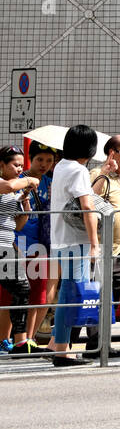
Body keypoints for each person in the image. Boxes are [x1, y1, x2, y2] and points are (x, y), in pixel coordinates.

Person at [71, 135, 120, 358]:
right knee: (92, 297)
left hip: (115, 250)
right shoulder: (99, 175)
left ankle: (100, 342)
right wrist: (94, 244)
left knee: (110, 297)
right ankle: (77, 343)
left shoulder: (119, 178)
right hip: (99, 250)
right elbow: (87, 208)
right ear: (112, 153)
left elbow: (113, 212)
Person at [47, 124, 99, 367]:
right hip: (75, 241)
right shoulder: (78, 170)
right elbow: (88, 207)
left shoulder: (60, 166)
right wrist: (95, 243)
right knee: (71, 293)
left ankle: (58, 345)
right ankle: (61, 351)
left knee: (67, 292)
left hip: (59, 238)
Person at [14, 143, 56, 354]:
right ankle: (14, 338)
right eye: (40, 160)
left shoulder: (50, 182)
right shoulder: (19, 181)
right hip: (19, 241)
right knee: (18, 292)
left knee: (39, 293)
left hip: (42, 244)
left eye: (49, 161)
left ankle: (30, 338)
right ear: (31, 159)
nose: (44, 165)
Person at [0, 145, 39, 354]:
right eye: (15, 165)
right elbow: (7, 187)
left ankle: (20, 341)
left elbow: (19, 225)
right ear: (1, 165)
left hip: (8, 244)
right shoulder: (4, 185)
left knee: (21, 289)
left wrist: (25, 202)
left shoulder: (13, 190)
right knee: (21, 289)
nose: (19, 169)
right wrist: (28, 180)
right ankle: (19, 340)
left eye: (21, 166)